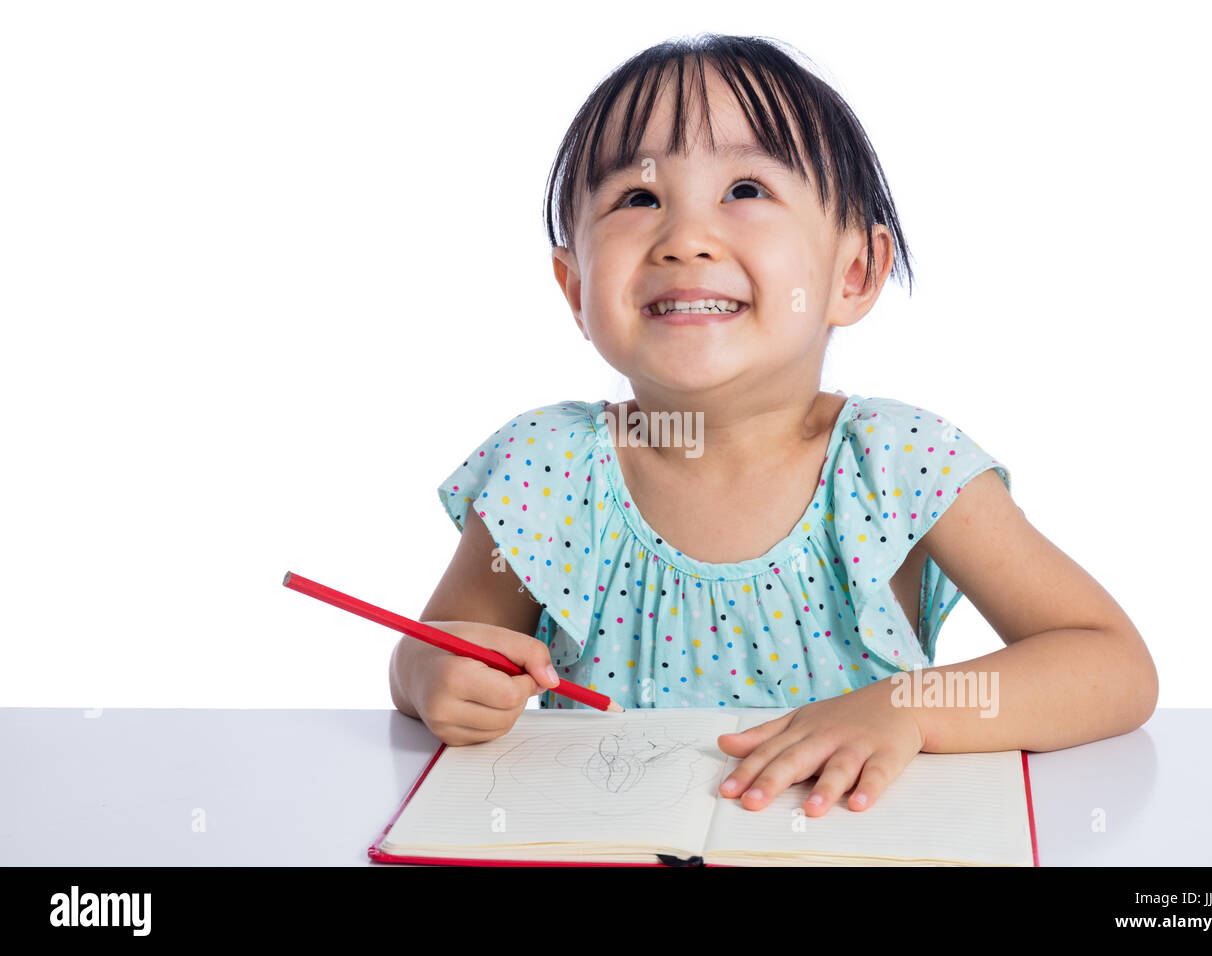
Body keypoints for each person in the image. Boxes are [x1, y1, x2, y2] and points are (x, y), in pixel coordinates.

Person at [389, 34, 1158, 817]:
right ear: (575, 285)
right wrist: (432, 679)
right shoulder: (549, 469)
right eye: (639, 198)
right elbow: (432, 653)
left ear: (853, 273)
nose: (685, 238)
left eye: (747, 189)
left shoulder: (897, 464)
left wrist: (910, 708)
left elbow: (1110, 666)